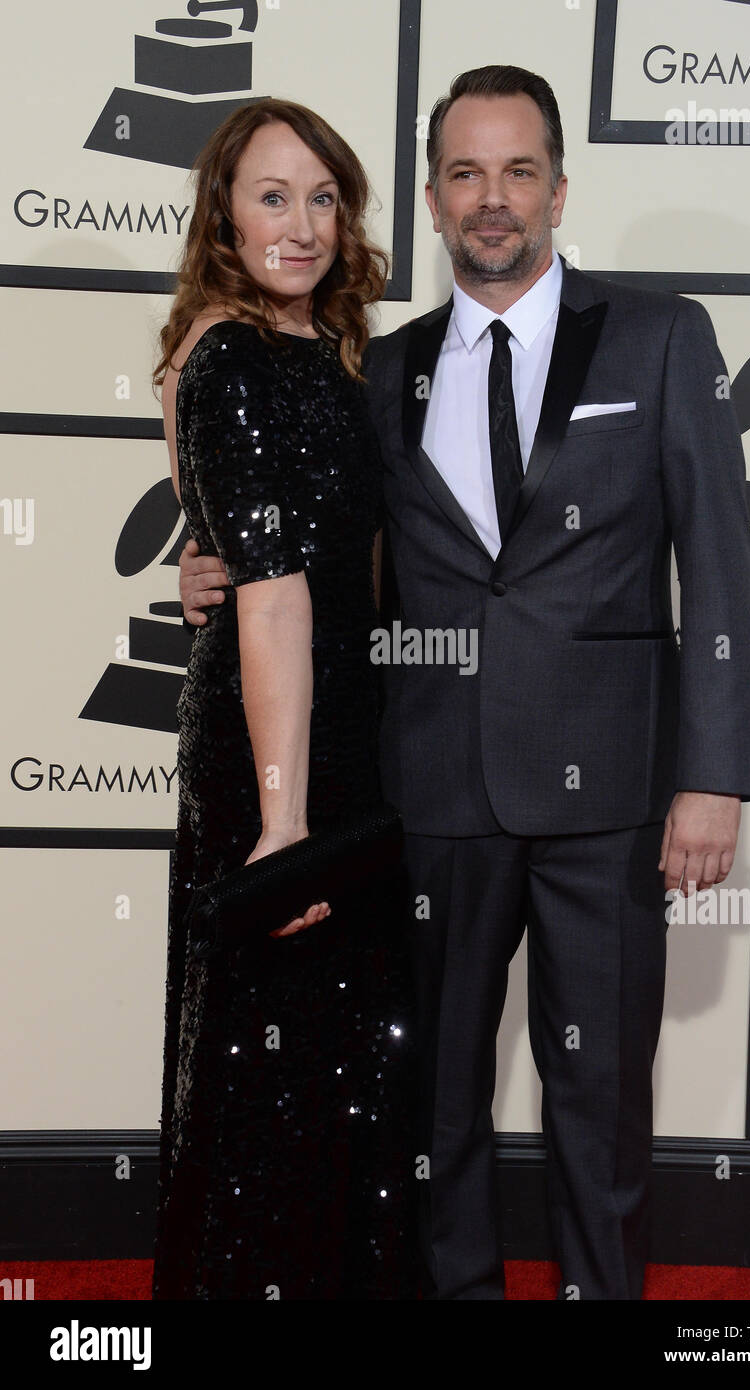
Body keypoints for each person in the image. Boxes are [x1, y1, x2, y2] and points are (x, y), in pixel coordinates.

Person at [179, 66, 750, 1300]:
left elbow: (718, 571)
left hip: (609, 800)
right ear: (435, 203)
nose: (492, 199)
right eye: (464, 173)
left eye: (517, 170)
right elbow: (329, 549)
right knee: (430, 1106)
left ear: (559, 187)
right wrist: (208, 561)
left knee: (599, 1105)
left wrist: (714, 778)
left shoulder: (665, 338)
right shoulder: (384, 374)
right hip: (431, 792)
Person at [151, 97, 418, 1300]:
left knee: (340, 1053)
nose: (302, 224)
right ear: (223, 212)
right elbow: (267, 599)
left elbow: (325, 555)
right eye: (273, 195)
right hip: (277, 746)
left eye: (324, 197)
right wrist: (283, 821)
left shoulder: (329, 347)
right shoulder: (229, 355)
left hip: (343, 724)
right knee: (279, 1047)